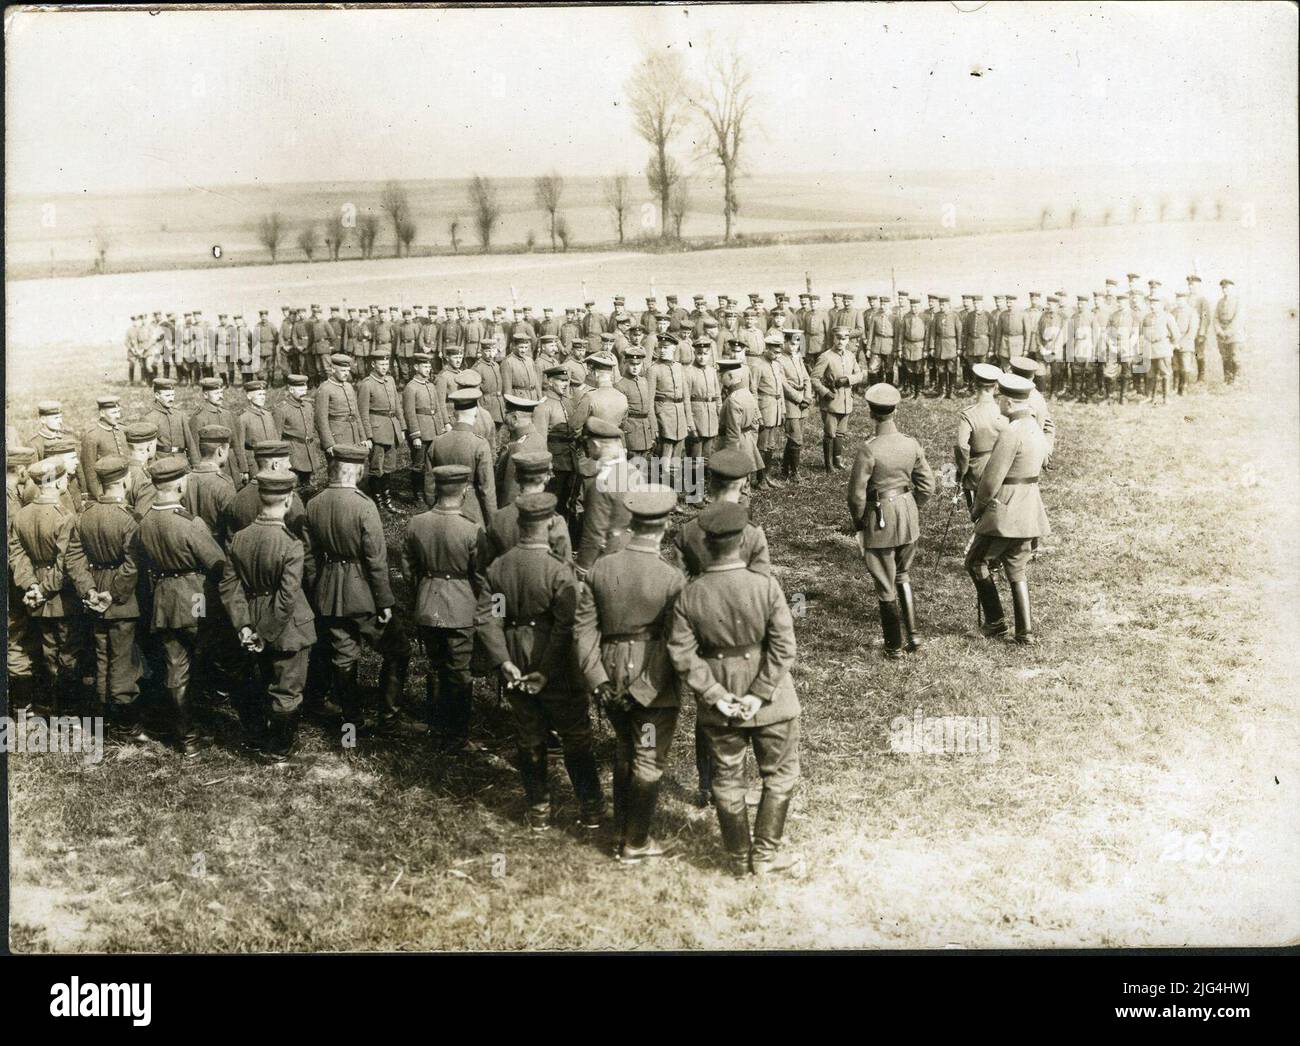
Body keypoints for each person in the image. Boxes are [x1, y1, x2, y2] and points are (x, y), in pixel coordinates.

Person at [667, 501, 803, 877]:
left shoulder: (690, 595)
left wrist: (715, 695)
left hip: (721, 705)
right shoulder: (767, 586)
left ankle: (737, 859)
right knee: (779, 775)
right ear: (743, 541)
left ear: (707, 546)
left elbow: (681, 653)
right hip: (773, 701)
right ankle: (765, 855)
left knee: (727, 780)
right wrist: (759, 693)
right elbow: (784, 647)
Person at [481, 492, 603, 832]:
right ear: (550, 524)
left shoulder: (499, 567)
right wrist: (547, 671)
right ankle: (591, 808)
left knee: (529, 734)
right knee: (576, 735)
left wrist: (503, 660)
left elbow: (494, 617)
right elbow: (567, 626)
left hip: (516, 658)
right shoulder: (559, 570)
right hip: (557, 665)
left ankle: (538, 810)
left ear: (521, 525)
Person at [574, 485, 684, 862]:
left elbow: (584, 629)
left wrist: (597, 678)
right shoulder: (671, 579)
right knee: (648, 755)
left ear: (633, 524)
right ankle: (635, 844)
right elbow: (674, 642)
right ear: (665, 525)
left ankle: (620, 832)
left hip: (609, 670)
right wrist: (645, 688)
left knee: (624, 747)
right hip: (649, 681)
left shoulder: (602, 568)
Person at [304, 444, 420, 738]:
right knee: (398, 650)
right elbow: (376, 561)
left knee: (343, 656)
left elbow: (308, 556)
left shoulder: (314, 503)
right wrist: (385, 602)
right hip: (363, 593)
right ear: (355, 471)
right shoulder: (364, 505)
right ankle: (389, 720)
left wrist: (319, 586)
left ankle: (351, 723)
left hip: (328, 593)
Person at [130, 456, 228, 755]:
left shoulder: (145, 522)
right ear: (180, 484)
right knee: (205, 653)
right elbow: (218, 564)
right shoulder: (190, 522)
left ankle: (187, 740)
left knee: (175, 667)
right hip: (194, 598)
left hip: (163, 601)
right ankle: (209, 720)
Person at [218, 469, 317, 761]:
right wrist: (266, 633)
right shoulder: (291, 544)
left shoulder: (239, 538)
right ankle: (279, 748)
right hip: (285, 628)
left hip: (252, 618)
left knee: (260, 681)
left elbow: (229, 586)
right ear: (288, 500)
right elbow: (287, 598)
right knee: (287, 686)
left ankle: (258, 736)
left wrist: (244, 627)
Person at [401, 464, 493, 751]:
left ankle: (436, 724)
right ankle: (456, 736)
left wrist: (422, 590)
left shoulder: (416, 523)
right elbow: (481, 577)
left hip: (428, 604)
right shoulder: (471, 529)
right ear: (464, 490)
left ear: (437, 489)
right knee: (459, 670)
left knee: (437, 665)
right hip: (461, 608)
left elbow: (407, 569)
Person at [847, 384, 937, 657]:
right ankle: (914, 635)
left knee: (885, 582)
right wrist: (912, 507)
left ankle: (893, 646)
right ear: (895, 410)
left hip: (880, 516)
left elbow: (856, 496)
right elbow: (928, 485)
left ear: (871, 414)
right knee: (902, 573)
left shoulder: (869, 449)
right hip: (907, 513)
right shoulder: (910, 443)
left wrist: (859, 522)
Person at [963, 373, 1051, 644]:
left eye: (1001, 396)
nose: (998, 400)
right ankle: (1024, 632)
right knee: (1016, 566)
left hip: (1006, 508)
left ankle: (996, 623)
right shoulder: (1035, 429)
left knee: (976, 562)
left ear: (1010, 403)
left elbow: (991, 479)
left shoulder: (1011, 432)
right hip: (1029, 507)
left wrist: (977, 509)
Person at [65, 456, 146, 738]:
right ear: (124, 480)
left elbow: (74, 558)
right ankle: (125, 725)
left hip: (93, 596)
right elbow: (133, 563)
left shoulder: (84, 515)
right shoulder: (130, 518)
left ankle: (103, 721)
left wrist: (89, 590)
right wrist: (113, 594)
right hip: (120, 600)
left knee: (102, 656)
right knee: (123, 659)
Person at [10, 457, 84, 715]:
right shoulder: (66, 517)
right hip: (61, 596)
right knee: (69, 652)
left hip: (37, 597)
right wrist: (44, 589)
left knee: (48, 650)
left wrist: (31, 586)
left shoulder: (21, 516)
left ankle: (51, 705)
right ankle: (68, 711)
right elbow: (65, 563)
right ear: (60, 481)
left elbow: (17, 556)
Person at [426, 388, 497, 523]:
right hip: (470, 509)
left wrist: (431, 507)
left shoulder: (437, 441)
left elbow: (429, 484)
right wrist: (492, 521)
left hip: (441, 506)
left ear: (454, 413)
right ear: (476, 413)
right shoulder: (480, 444)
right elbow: (487, 489)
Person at [954, 363, 1007, 516]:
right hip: (1001, 467)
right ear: (995, 387)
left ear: (975, 385)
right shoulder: (1003, 412)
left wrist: (962, 471)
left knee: (977, 513)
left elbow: (962, 446)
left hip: (977, 469)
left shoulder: (969, 414)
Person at [357, 354, 408, 513]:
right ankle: (377, 502)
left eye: (387, 363)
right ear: (373, 364)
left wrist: (402, 427)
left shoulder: (390, 380)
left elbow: (397, 406)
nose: (385, 367)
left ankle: (387, 500)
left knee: (388, 467)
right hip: (377, 430)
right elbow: (363, 413)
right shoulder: (367, 384)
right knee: (376, 468)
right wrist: (368, 436)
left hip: (391, 428)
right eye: (381, 364)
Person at [812, 326, 862, 470]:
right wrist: (825, 392)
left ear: (848, 340)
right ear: (833, 338)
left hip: (846, 400)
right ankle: (828, 464)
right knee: (830, 433)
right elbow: (814, 378)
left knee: (840, 432)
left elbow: (859, 374)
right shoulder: (826, 356)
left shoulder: (850, 356)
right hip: (831, 401)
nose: (841, 341)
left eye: (844, 338)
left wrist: (847, 379)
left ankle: (837, 460)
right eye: (838, 338)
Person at [275, 373, 324, 491]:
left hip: (308, 452)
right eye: (301, 388)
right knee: (294, 487)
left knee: (308, 486)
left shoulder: (307, 406)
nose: (305, 390)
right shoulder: (282, 409)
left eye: (305, 387)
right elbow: (276, 437)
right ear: (291, 390)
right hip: (294, 454)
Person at [82, 396, 129, 499]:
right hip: (107, 489)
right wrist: (99, 495)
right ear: (102, 413)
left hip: (125, 484)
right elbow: (89, 470)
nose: (118, 416)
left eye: (118, 411)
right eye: (114, 413)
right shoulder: (92, 436)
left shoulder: (120, 430)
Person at [144, 378, 189, 459]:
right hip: (162, 461)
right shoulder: (150, 418)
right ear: (157, 395)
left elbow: (190, 444)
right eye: (167, 395)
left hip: (181, 460)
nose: (171, 399)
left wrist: (196, 465)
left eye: (173, 395)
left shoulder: (180, 415)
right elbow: (148, 449)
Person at [1214, 278, 1243, 384]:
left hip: (1235, 335)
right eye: (1223, 288)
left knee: (1234, 357)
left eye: (1227, 288)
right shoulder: (1220, 302)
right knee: (1225, 357)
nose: (1225, 290)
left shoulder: (1238, 301)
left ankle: (1236, 379)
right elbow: (1215, 318)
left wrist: (1228, 332)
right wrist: (1219, 331)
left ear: (1233, 289)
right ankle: (1227, 379)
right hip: (1221, 335)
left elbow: (1238, 319)